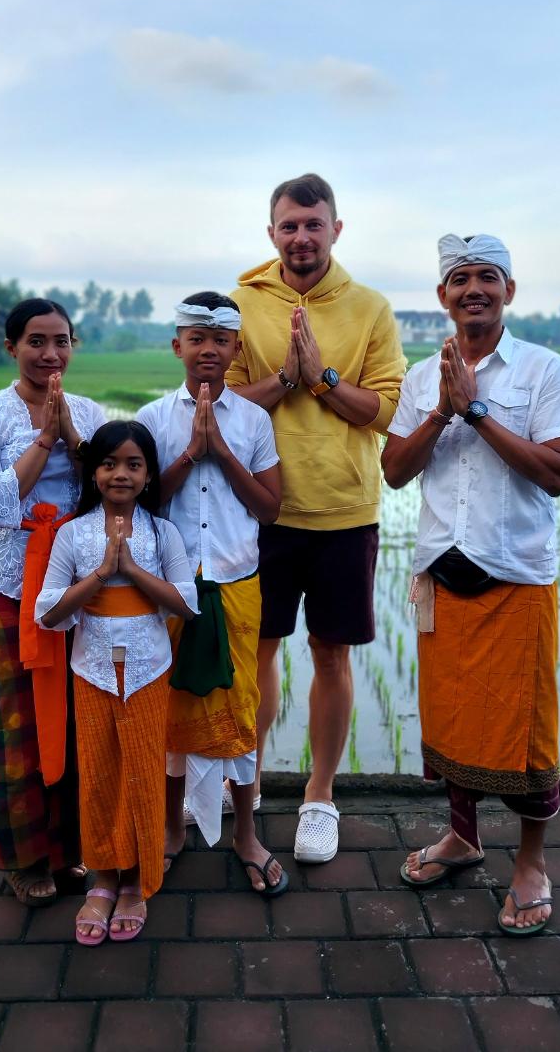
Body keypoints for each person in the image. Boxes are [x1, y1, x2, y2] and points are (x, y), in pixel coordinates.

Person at [382, 233, 560, 935]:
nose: (474, 288)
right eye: (460, 277)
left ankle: (532, 862)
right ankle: (463, 838)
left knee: (528, 732)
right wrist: (441, 408)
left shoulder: (542, 369)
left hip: (517, 577)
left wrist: (476, 411)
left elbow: (558, 475)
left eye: (487, 277)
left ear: (509, 291)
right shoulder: (418, 378)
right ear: (442, 296)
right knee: (453, 714)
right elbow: (395, 471)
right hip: (442, 572)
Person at [226, 173, 405, 863]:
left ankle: (320, 795)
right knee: (260, 648)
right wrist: (287, 380)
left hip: (342, 507)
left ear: (336, 229)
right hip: (261, 507)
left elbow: (386, 409)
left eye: (314, 224)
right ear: (271, 233)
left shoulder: (371, 308)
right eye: (289, 225)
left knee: (332, 652)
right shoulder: (242, 304)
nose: (302, 237)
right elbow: (220, 396)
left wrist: (324, 376)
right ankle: (250, 779)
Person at [136, 292, 288, 896]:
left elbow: (270, 509)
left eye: (219, 340)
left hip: (234, 585)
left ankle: (245, 832)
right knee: (171, 710)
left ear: (236, 349)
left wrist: (221, 452)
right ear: (177, 345)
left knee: (240, 710)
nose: (207, 349)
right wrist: (188, 454)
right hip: (170, 588)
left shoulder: (253, 421)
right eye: (196, 338)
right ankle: (171, 828)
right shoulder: (151, 419)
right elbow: (142, 500)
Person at [0, 298, 106, 905]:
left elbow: (114, 485)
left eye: (62, 342)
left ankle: (70, 851)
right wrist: (44, 439)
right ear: (11, 347)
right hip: (11, 587)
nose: (51, 354)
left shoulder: (91, 411)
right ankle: (23, 857)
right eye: (36, 342)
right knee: (16, 725)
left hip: (78, 584)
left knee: (78, 722)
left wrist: (73, 433)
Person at [35, 421, 197, 944]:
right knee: (100, 771)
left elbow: (186, 604)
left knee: (144, 771)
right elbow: (50, 613)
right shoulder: (72, 534)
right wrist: (103, 573)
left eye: (133, 464)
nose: (120, 474)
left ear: (149, 475)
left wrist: (132, 568)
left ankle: (136, 880)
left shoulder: (161, 533)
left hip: (149, 669)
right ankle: (103, 876)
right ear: (93, 473)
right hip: (93, 670)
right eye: (109, 464)